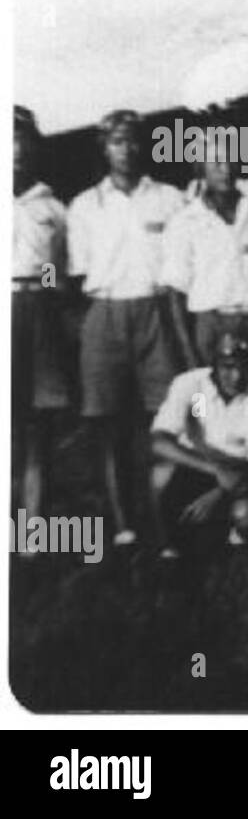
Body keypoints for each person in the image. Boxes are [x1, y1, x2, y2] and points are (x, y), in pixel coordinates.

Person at [67, 109, 187, 547]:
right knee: (109, 423)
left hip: (156, 311)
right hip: (104, 311)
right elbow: (74, 276)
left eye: (134, 140)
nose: (127, 149)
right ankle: (123, 527)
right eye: (117, 141)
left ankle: (164, 520)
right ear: (104, 148)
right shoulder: (83, 205)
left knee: (166, 418)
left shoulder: (170, 199)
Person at [148, 330, 248, 557]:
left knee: (245, 514)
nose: (236, 376)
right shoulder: (194, 385)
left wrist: (218, 492)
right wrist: (215, 471)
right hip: (200, 464)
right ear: (214, 366)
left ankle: (237, 553)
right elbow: (159, 442)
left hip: (241, 474)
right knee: (160, 474)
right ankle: (168, 546)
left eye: (243, 367)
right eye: (228, 367)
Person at [160, 127, 248, 369]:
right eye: (215, 162)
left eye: (231, 160)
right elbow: (175, 292)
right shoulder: (184, 222)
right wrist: (189, 353)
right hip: (211, 324)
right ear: (201, 168)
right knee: (206, 402)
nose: (225, 169)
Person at [11, 106, 74, 540]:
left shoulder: (52, 206)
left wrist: (47, 289)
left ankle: (31, 528)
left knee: (38, 422)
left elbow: (56, 266)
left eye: (22, 140)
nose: (15, 150)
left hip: (38, 311)